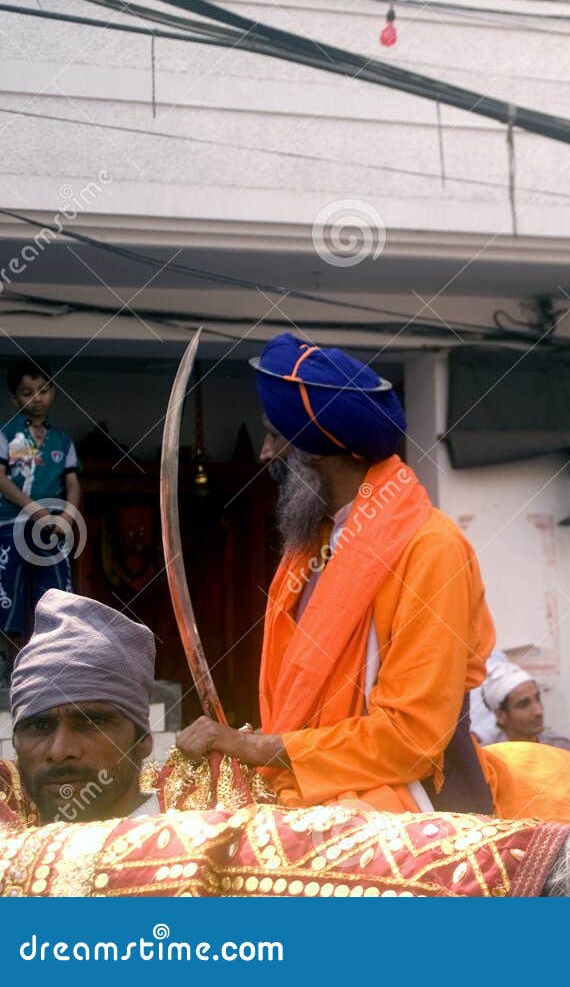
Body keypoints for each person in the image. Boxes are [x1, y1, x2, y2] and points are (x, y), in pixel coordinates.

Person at [175, 333, 496, 814]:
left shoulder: (432, 548)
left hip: (418, 798)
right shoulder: (316, 542)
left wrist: (259, 747)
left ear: (316, 450)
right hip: (313, 785)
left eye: (276, 436)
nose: (265, 453)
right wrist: (252, 745)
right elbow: (309, 714)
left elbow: (411, 737)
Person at [8, 589, 158, 822]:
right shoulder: (11, 845)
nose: (59, 752)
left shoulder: (202, 837)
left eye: (92, 722)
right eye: (38, 726)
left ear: (143, 740)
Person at [0, 359, 82, 689]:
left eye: (44, 390)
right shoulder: (7, 435)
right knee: (7, 593)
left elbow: (73, 483)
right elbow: (1, 479)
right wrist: (35, 510)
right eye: (27, 392)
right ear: (14, 399)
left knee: (54, 596)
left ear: (53, 392)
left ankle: (51, 666)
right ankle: (5, 663)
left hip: (50, 528)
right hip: (10, 525)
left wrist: (67, 517)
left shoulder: (63, 441)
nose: (37, 398)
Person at [478, 655, 570, 752]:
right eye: (523, 705)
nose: (538, 711)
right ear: (501, 716)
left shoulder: (562, 747)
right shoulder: (487, 755)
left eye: (537, 698)